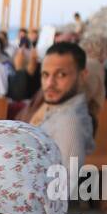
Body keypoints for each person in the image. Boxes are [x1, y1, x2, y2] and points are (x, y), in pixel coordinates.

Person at [17, 41, 94, 169]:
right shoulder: (58, 109)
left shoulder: (69, 122)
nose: (49, 83)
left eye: (61, 75)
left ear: (82, 76)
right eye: (45, 74)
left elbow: (67, 183)